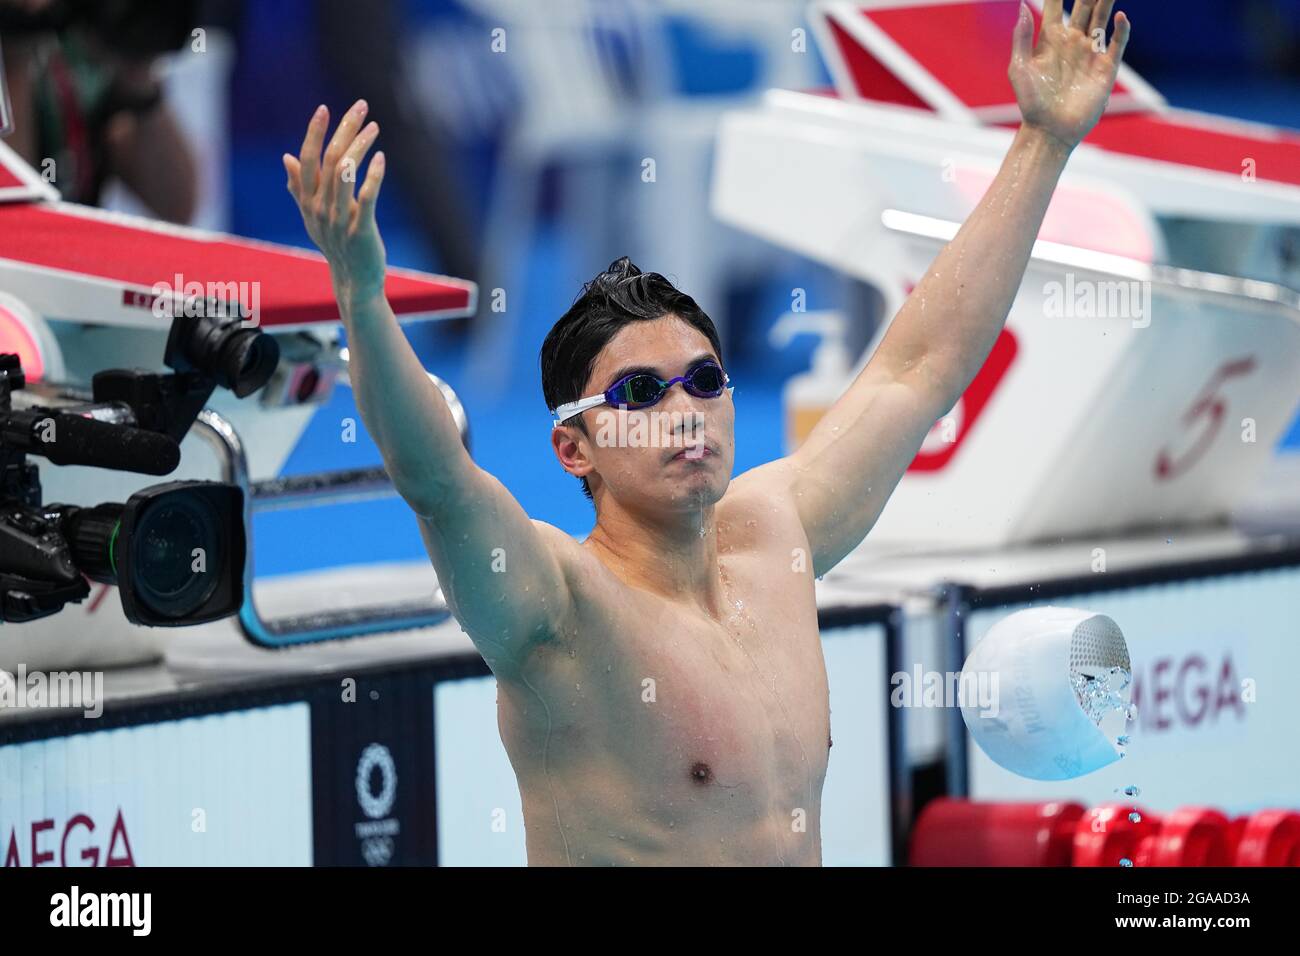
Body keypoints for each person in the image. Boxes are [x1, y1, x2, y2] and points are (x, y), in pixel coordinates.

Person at [283, 0, 1132, 865]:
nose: (683, 408)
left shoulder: (777, 537)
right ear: (573, 448)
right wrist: (361, 294)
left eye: (703, 380)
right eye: (641, 391)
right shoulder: (558, 608)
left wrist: (1042, 141)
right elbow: (435, 474)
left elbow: (919, 367)